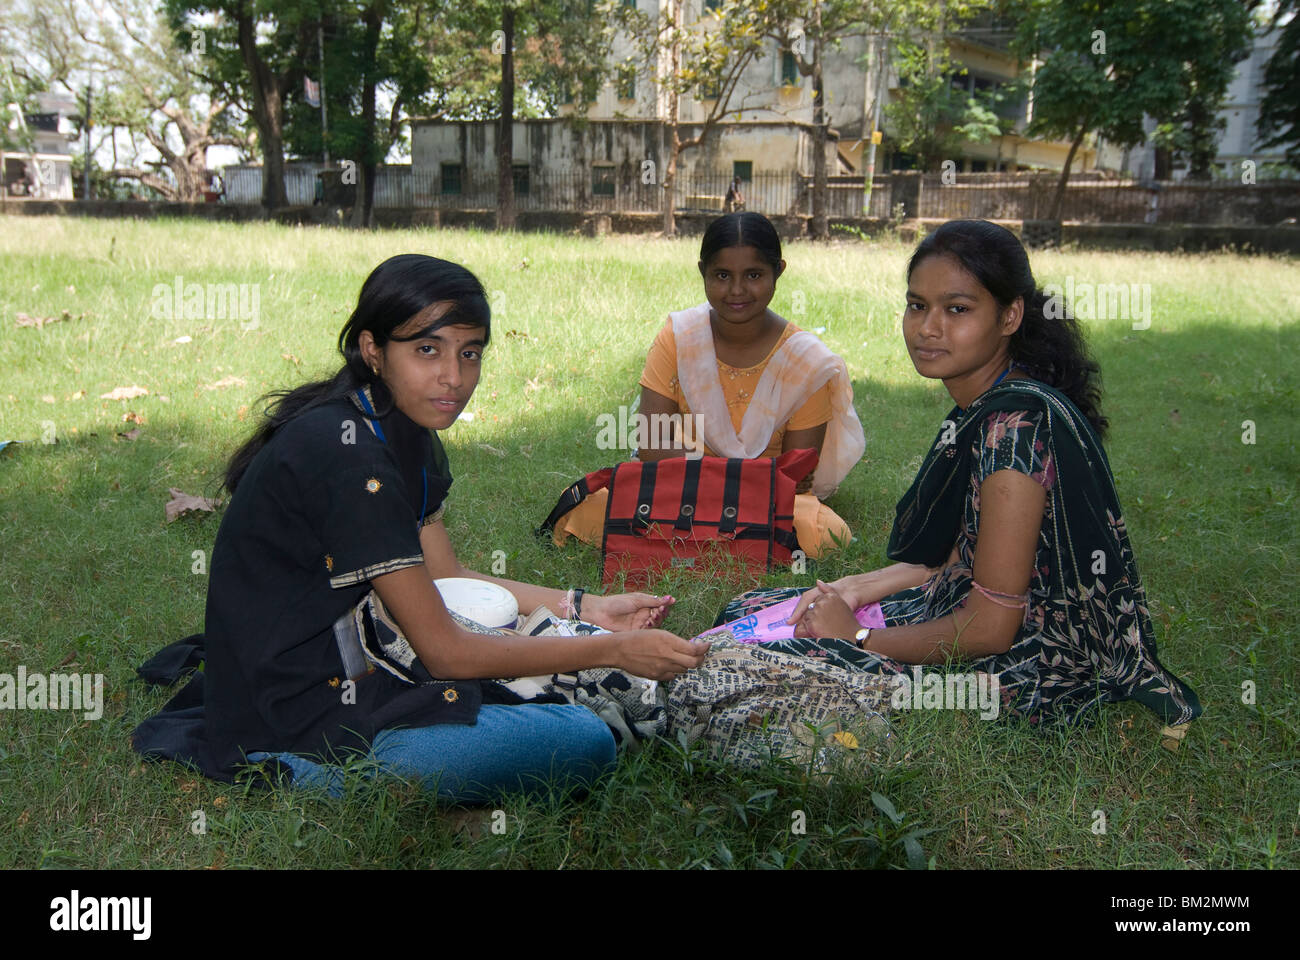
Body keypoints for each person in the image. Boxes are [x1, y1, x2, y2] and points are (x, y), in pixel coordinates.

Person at [132, 254, 710, 802]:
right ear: (374, 350)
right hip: (303, 702)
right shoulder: (353, 460)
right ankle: (312, 773)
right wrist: (614, 649)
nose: (453, 377)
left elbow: (445, 573)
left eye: (470, 353)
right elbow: (447, 653)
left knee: (543, 686)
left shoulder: (399, 428)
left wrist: (586, 606)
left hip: (362, 652)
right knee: (580, 740)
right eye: (428, 350)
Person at [715, 219, 1200, 728]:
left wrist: (856, 639)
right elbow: (959, 556)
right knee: (747, 614)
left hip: (1030, 662)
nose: (927, 327)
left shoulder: (1014, 433)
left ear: (1010, 316)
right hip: (960, 601)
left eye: (958, 309)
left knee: (750, 662)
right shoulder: (988, 404)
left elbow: (991, 628)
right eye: (918, 305)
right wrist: (853, 589)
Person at [551, 211, 866, 558]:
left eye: (754, 275)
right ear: (703, 272)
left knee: (825, 531)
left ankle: (680, 540)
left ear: (779, 271)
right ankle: (735, 544)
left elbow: (795, 474)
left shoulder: (807, 360)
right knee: (587, 503)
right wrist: (731, 480)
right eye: (721, 275)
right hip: (679, 490)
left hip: (763, 500)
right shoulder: (679, 337)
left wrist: (724, 481)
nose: (737, 290)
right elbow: (654, 446)